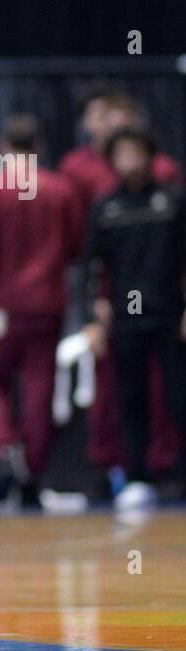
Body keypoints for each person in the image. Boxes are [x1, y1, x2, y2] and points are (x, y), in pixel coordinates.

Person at [0, 114, 85, 504]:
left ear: (3, 146)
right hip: (47, 304)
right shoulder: (61, 189)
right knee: (41, 387)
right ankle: (34, 467)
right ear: (39, 146)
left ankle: (3, 446)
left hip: (2, 305)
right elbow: (73, 247)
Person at [82, 126, 186, 508]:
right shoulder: (106, 207)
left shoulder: (172, 200)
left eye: (136, 151)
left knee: (178, 396)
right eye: (121, 152)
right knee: (131, 400)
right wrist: (93, 318)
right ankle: (138, 477)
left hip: (170, 316)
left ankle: (179, 473)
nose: (130, 159)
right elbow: (91, 266)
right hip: (126, 319)